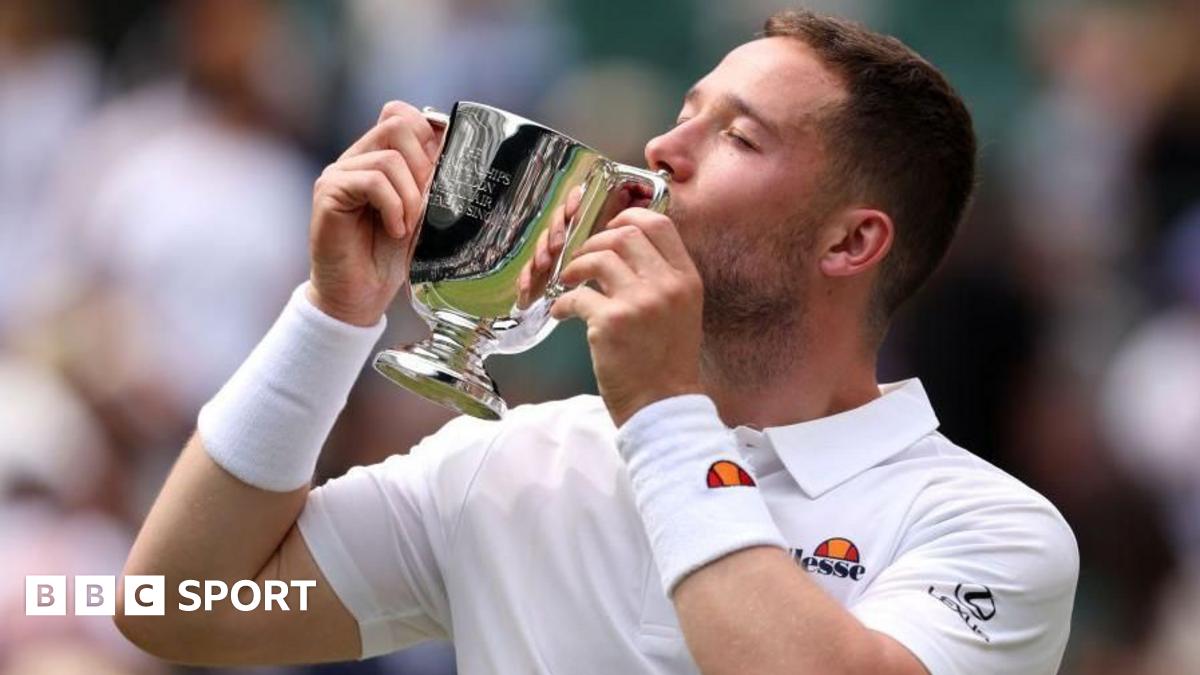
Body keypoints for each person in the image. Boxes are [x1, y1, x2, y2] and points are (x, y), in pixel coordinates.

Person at [115, 10, 1078, 675]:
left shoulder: (990, 527)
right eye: (683, 115)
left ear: (852, 241)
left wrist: (665, 415)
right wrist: (333, 315)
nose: (664, 150)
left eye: (738, 138)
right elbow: (176, 605)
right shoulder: (513, 460)